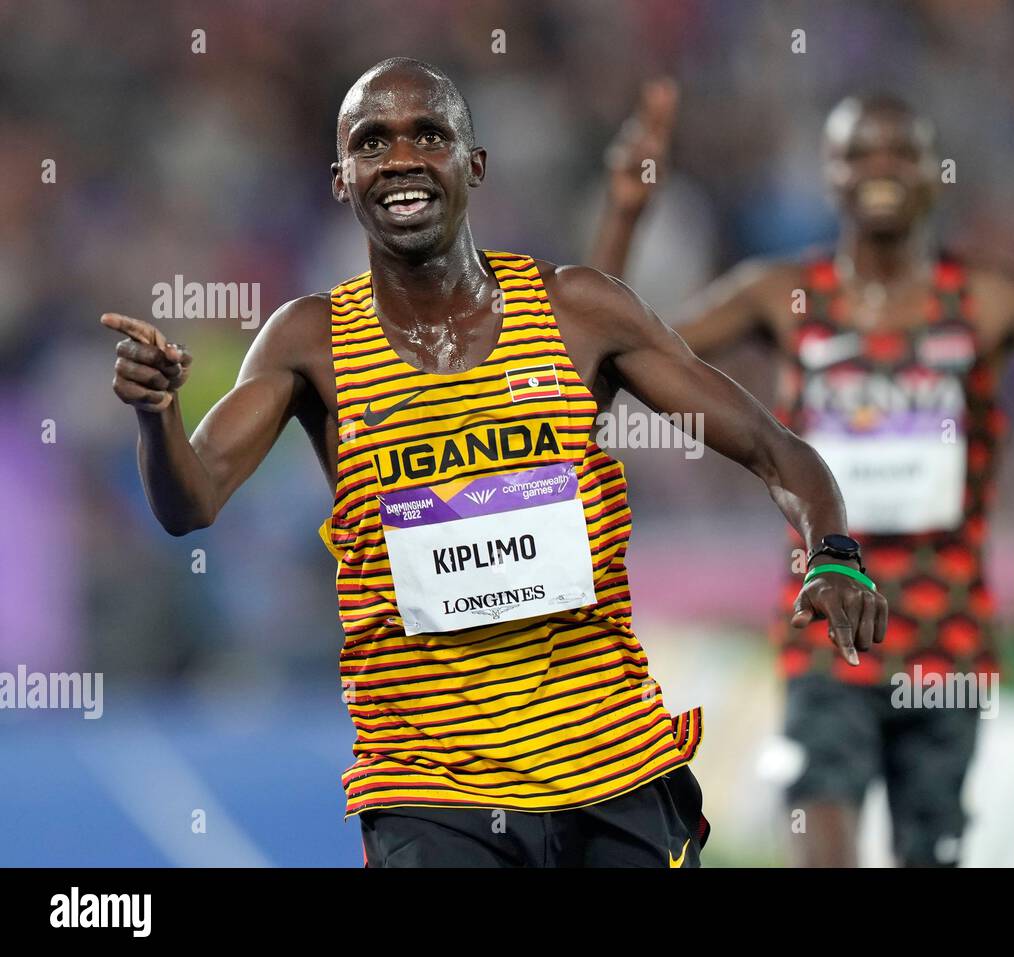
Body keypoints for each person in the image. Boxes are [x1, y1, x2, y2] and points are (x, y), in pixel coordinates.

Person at [100, 58, 885, 868]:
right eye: (373, 143)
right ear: (342, 180)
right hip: (431, 788)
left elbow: (774, 448)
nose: (401, 159)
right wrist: (156, 417)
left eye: (428, 135)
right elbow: (188, 502)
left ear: (472, 164)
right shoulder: (310, 342)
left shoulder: (579, 311)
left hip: (613, 765)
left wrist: (835, 554)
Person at [590, 87, 1014, 867]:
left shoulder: (988, 298)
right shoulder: (782, 294)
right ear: (828, 175)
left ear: (937, 173)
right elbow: (614, 360)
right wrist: (627, 214)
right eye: (858, 153)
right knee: (821, 840)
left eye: (901, 151)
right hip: (824, 630)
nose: (881, 169)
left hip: (947, 644)